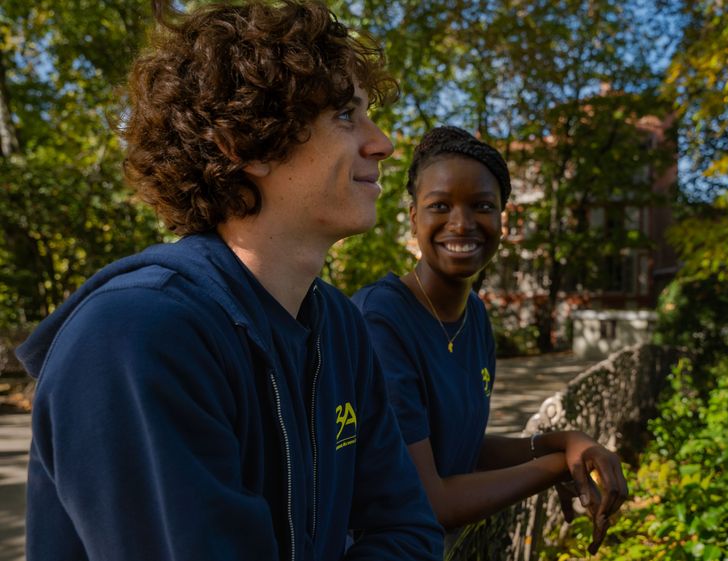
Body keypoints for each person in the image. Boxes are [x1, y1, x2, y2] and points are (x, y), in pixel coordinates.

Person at [15, 2, 443, 559]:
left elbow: (409, 529)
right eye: (345, 114)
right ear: (246, 143)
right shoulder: (134, 336)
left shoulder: (338, 326)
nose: (382, 142)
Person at [352, 126, 629, 554]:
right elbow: (431, 499)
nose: (461, 224)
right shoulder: (381, 320)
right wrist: (557, 467)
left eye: (481, 206)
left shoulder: (475, 316)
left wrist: (567, 441)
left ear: (502, 217)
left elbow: (459, 452)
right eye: (439, 205)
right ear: (412, 218)